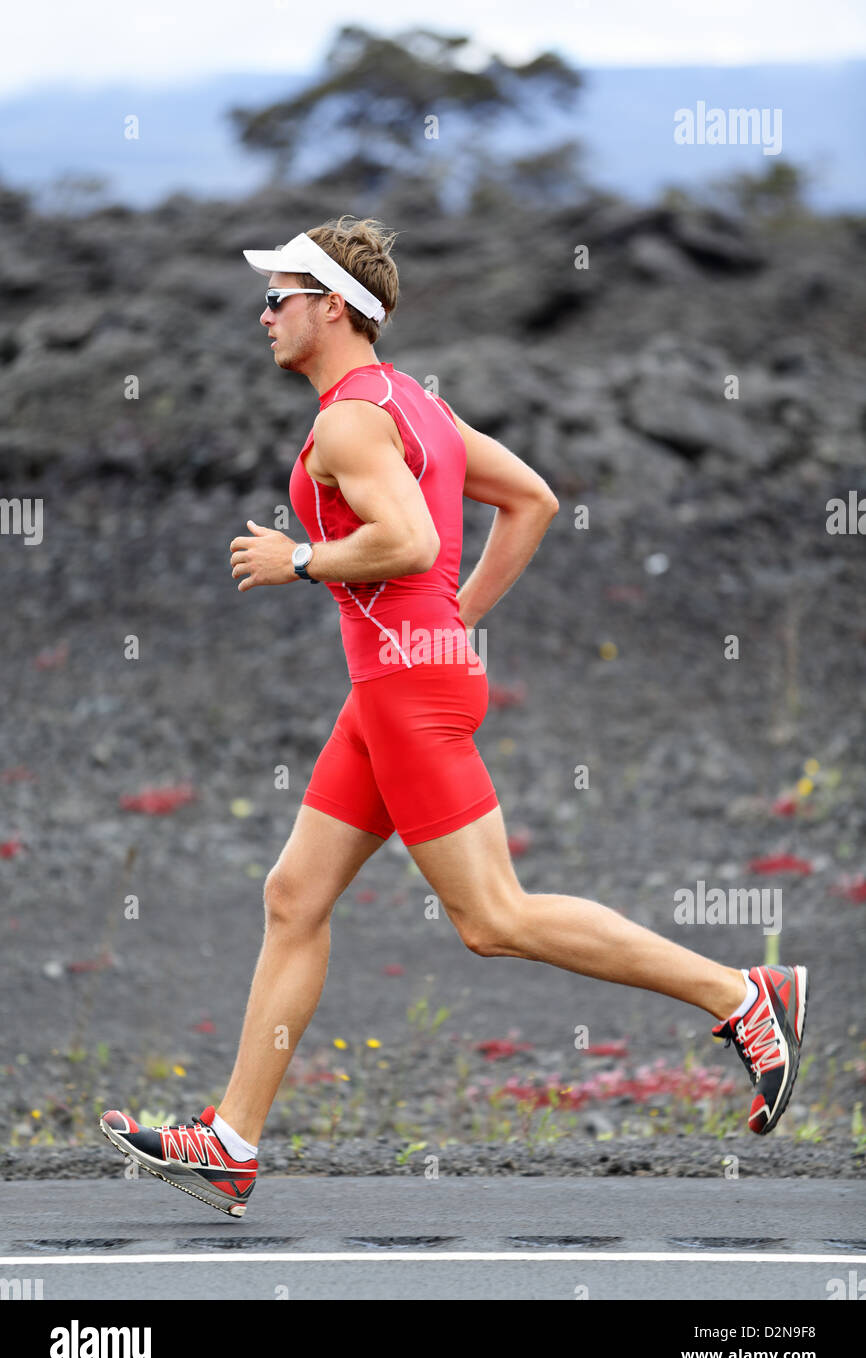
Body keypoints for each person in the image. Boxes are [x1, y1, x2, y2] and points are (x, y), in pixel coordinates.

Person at [100, 216, 808, 1217]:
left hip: (407, 693)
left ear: (331, 308)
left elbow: (407, 537)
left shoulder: (349, 421)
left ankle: (744, 998)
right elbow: (532, 501)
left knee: (493, 918)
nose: (261, 315)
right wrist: (453, 619)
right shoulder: (416, 407)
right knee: (294, 893)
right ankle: (228, 1141)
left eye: (277, 298)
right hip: (403, 682)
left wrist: (298, 558)